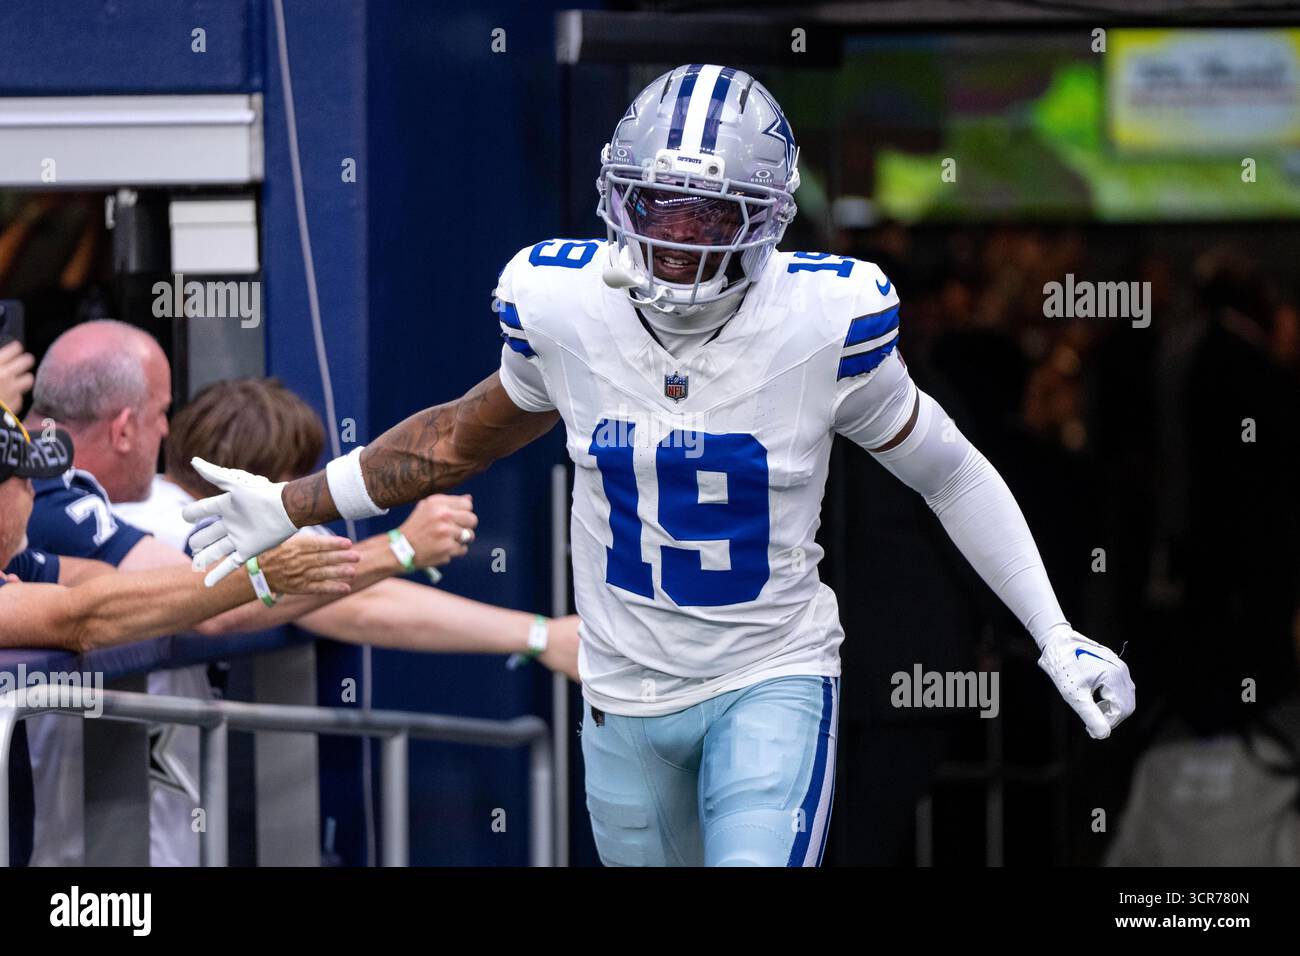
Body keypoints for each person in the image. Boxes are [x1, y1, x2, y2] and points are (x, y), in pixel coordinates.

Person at [184, 65, 1136, 867]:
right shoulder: (560, 308)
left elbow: (952, 473)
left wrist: (1053, 634)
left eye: (709, 212)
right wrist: (293, 502)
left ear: (764, 218)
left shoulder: (823, 324)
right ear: (617, 197)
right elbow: (456, 439)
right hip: (622, 687)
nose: (676, 238)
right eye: (658, 204)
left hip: (770, 672)